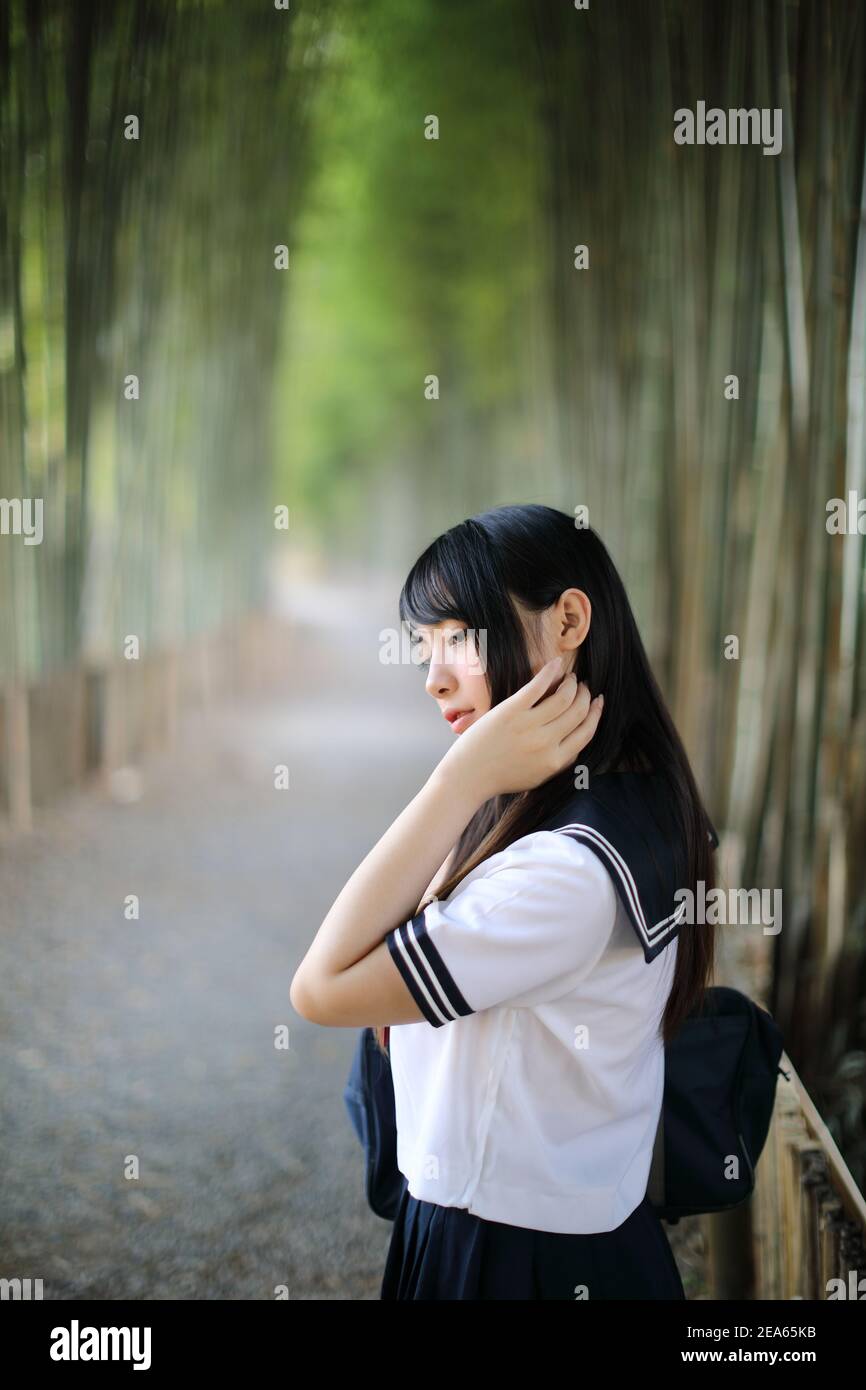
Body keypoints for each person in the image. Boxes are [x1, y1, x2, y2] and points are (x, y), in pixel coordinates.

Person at [291, 503, 716, 1300]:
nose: (434, 675)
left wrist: (455, 779)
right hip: (561, 1241)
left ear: (569, 621)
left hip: (507, 1261)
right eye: (425, 648)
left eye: (457, 637)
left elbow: (319, 987)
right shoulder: (617, 799)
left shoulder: (564, 871)